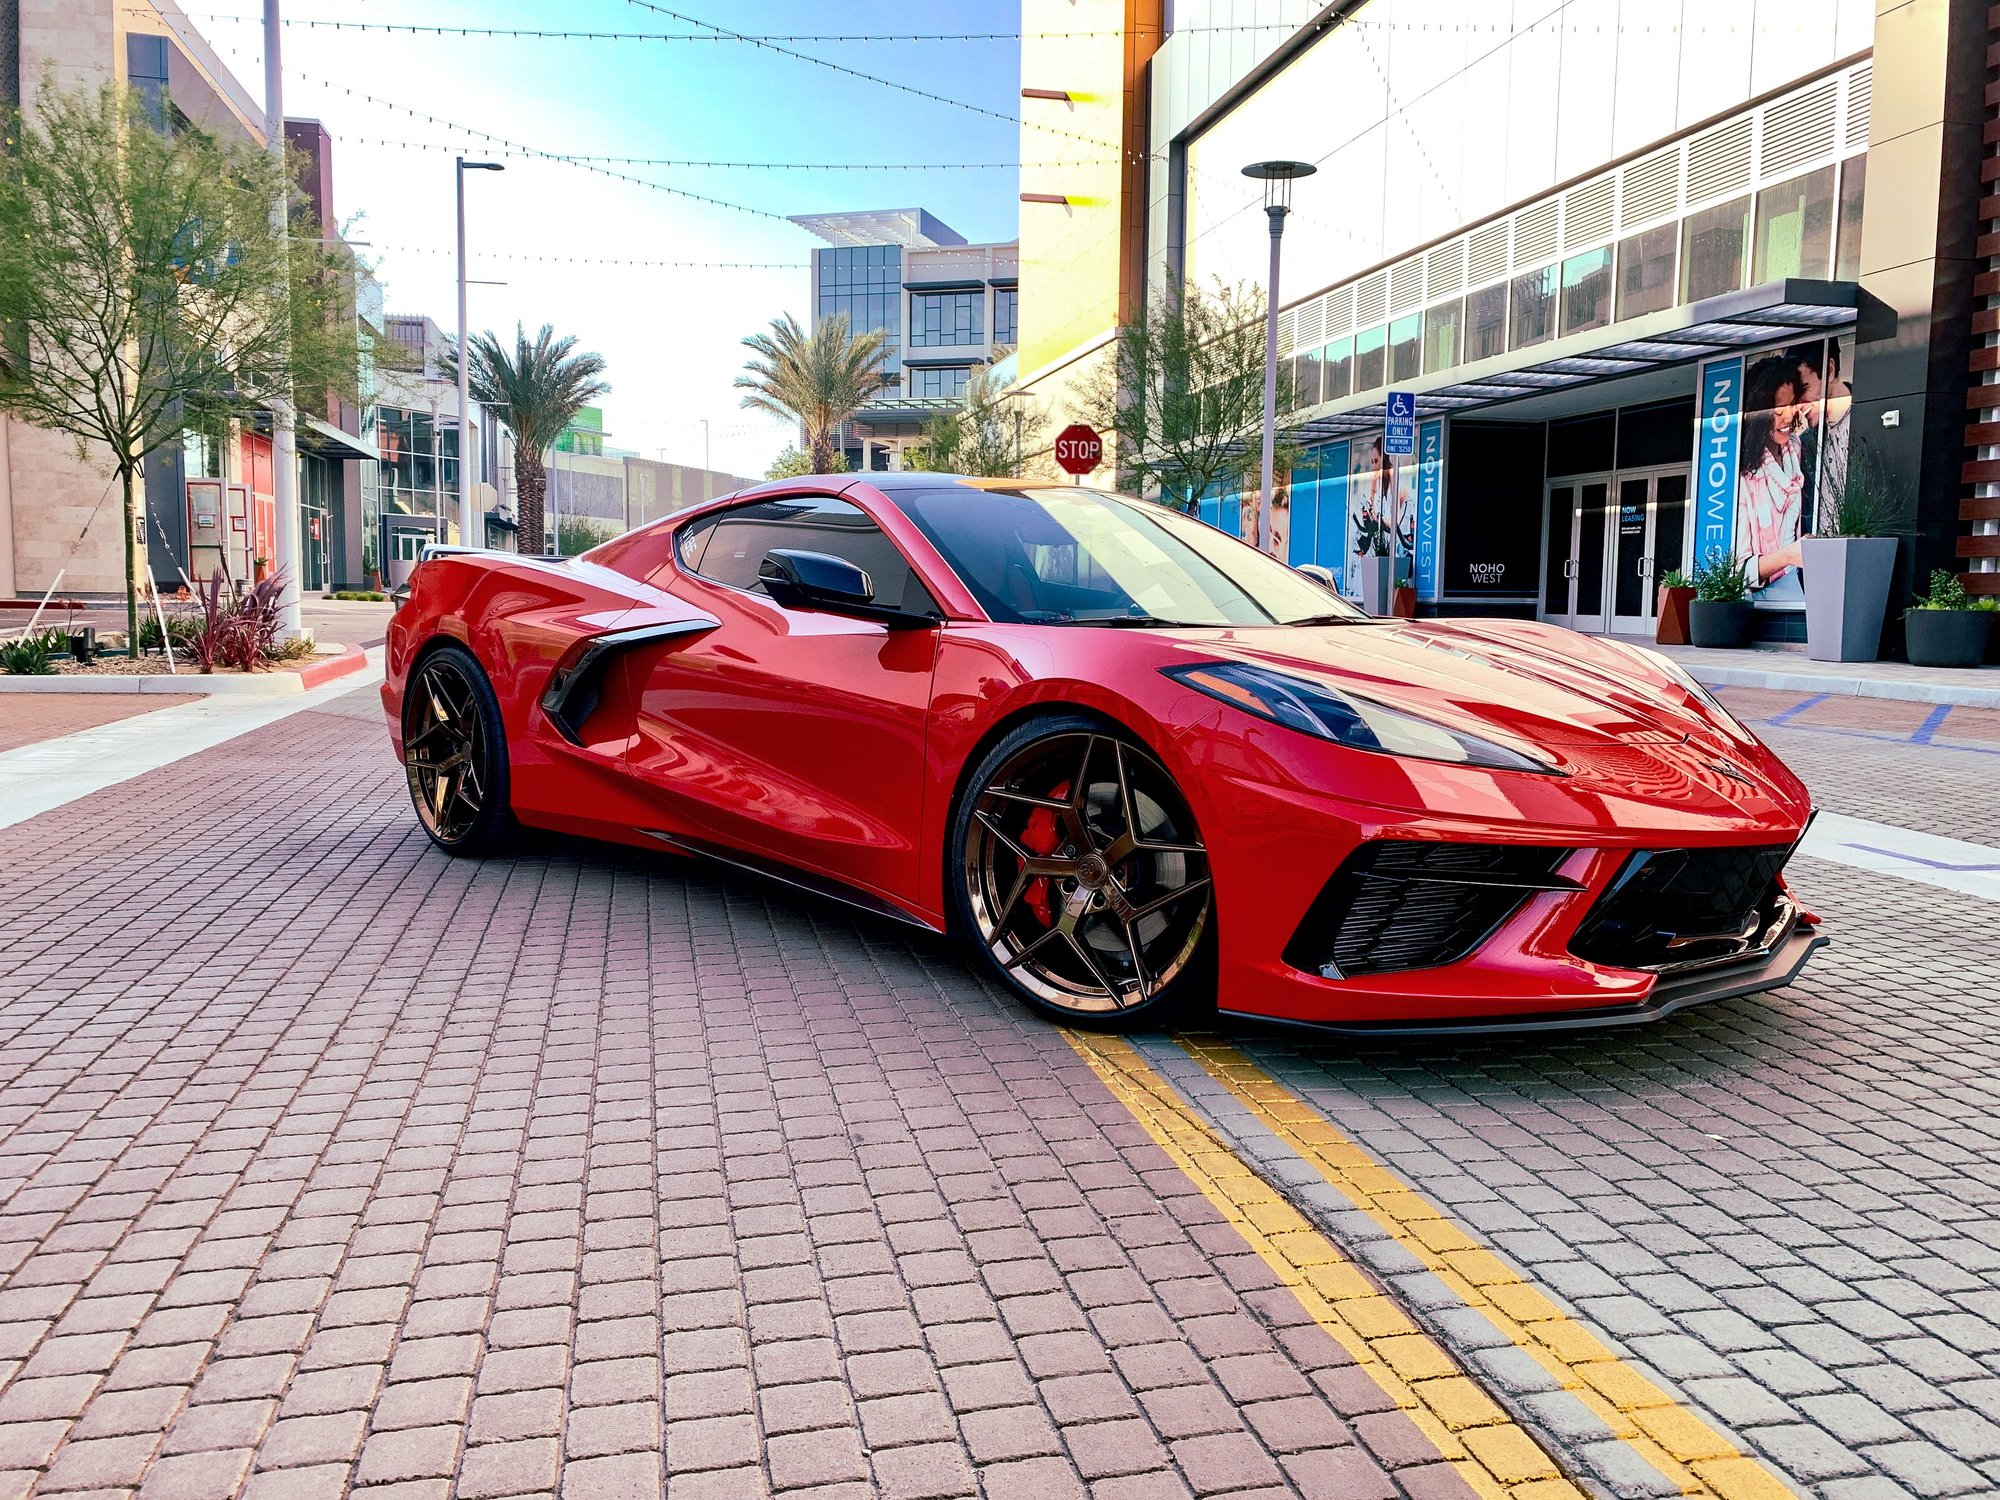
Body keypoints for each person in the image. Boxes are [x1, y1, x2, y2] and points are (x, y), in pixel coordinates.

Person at [1735, 354, 1806, 592]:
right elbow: (1738, 573)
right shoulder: (1743, 477)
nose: (1789, 415)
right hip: (1761, 602)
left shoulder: (1797, 450)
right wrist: (1789, 556)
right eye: (1778, 409)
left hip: (1798, 589)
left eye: (1792, 403)